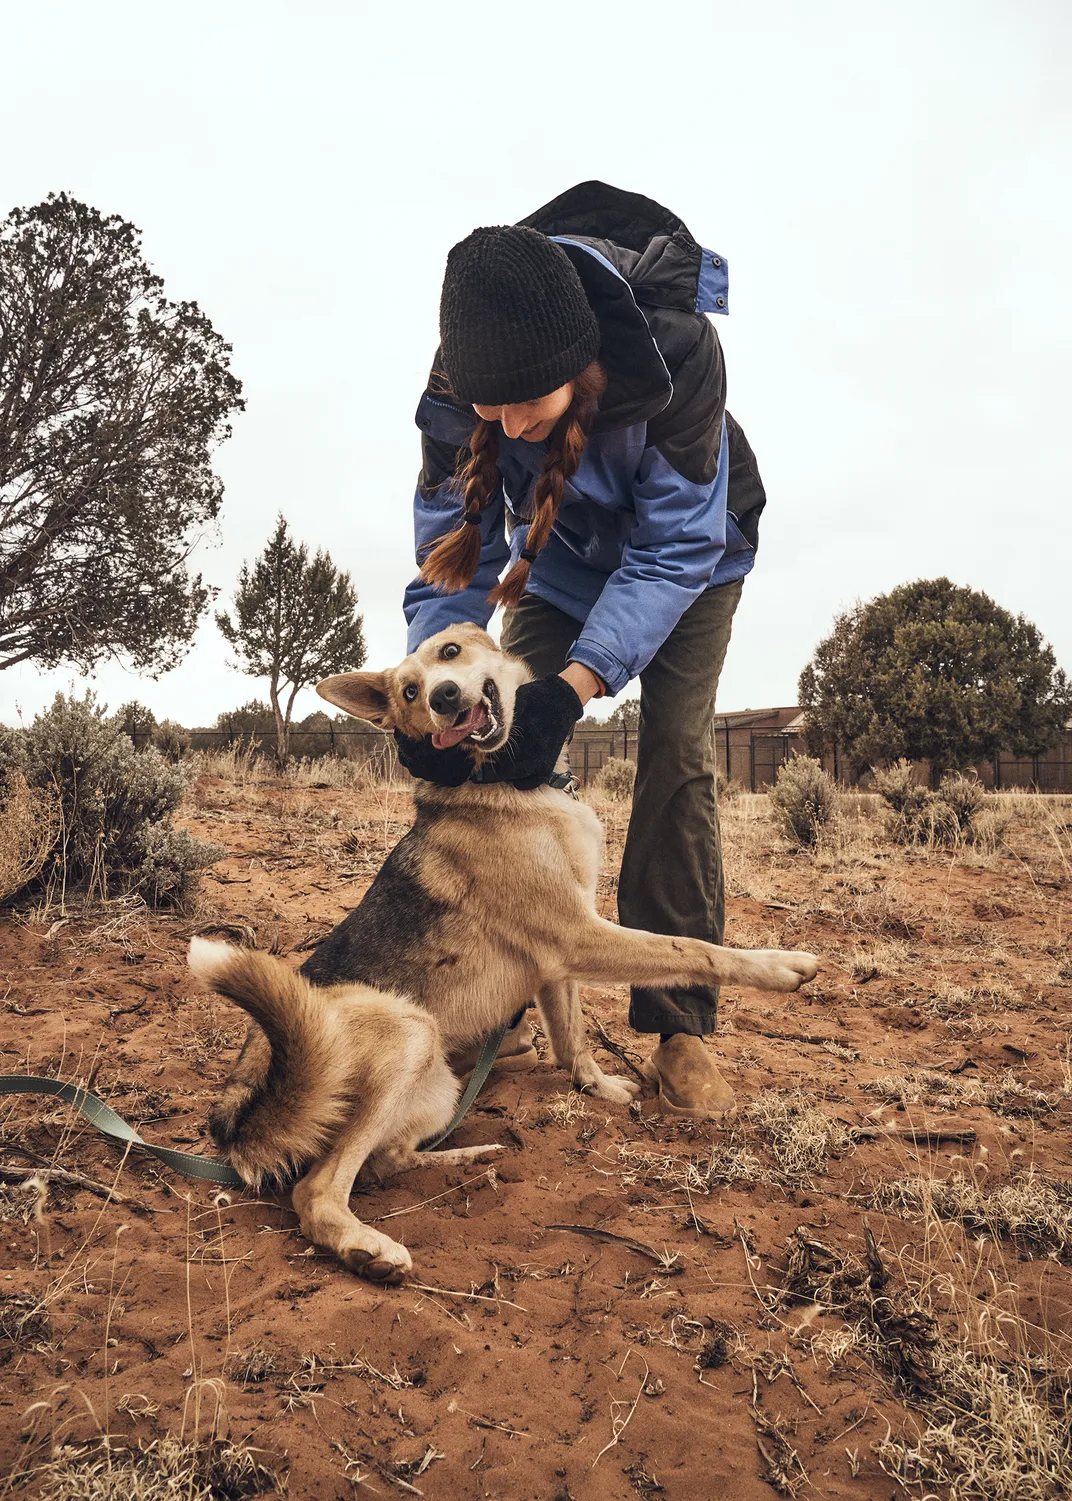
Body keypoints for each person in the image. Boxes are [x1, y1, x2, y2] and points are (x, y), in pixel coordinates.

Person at [398, 181, 767, 1120]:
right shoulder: (461, 387)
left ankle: (679, 1032)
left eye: (528, 405)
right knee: (491, 761)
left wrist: (573, 685)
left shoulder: (678, 359)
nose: (510, 426)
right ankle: (507, 995)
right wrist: (424, 688)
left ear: (577, 359)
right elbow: (454, 552)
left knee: (675, 760)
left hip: (693, 564)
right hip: (563, 561)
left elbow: (674, 547)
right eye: (493, 407)